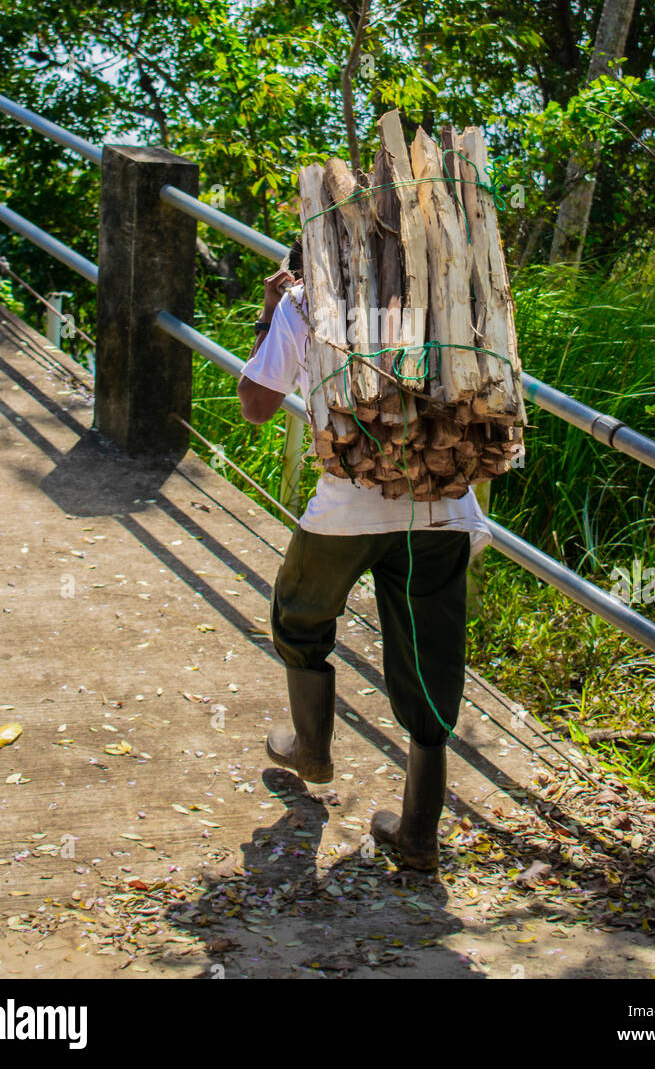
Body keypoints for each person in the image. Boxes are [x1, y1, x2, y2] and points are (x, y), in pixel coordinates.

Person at [237, 239, 492, 871]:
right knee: (431, 657)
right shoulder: (450, 289)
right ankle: (419, 833)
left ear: (315, 257)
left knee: (299, 613)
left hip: (349, 509)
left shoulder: (305, 300)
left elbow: (255, 407)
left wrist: (273, 314)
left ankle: (311, 750)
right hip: (444, 505)